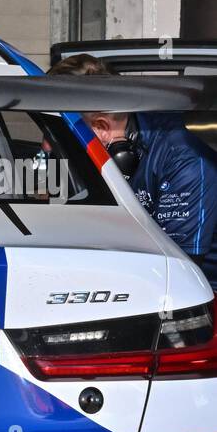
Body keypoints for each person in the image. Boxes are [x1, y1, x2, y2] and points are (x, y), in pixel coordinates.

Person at [49, 53, 217, 285]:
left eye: (58, 131)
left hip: (199, 288)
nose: (46, 145)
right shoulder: (81, 154)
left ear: (101, 127)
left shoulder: (183, 155)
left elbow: (178, 270)